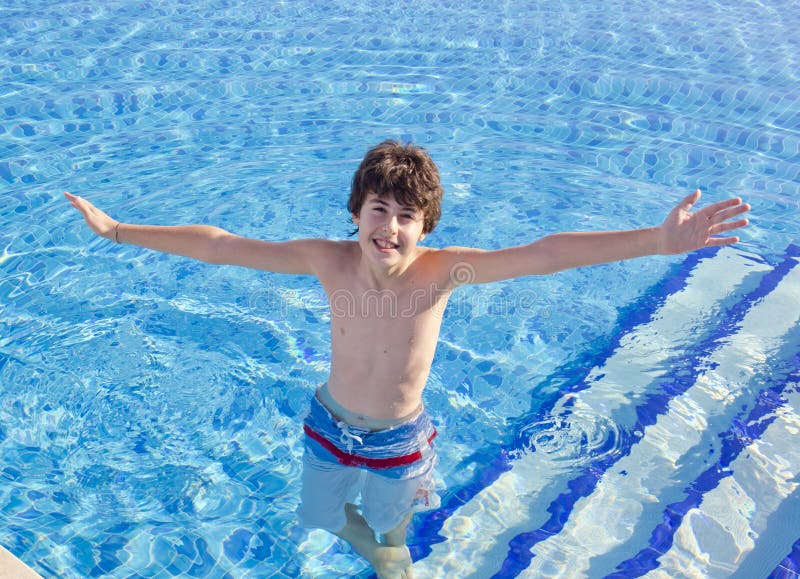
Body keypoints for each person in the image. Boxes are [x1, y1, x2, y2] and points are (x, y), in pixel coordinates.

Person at [65, 140, 750, 578]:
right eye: (378, 208)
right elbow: (220, 243)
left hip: (397, 440)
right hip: (329, 425)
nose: (389, 227)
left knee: (395, 549)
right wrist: (118, 229)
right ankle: (393, 559)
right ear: (355, 212)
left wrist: (654, 243)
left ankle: (399, 564)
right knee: (321, 517)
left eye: (405, 216)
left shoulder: (442, 273)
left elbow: (547, 253)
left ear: (426, 228)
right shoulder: (325, 259)